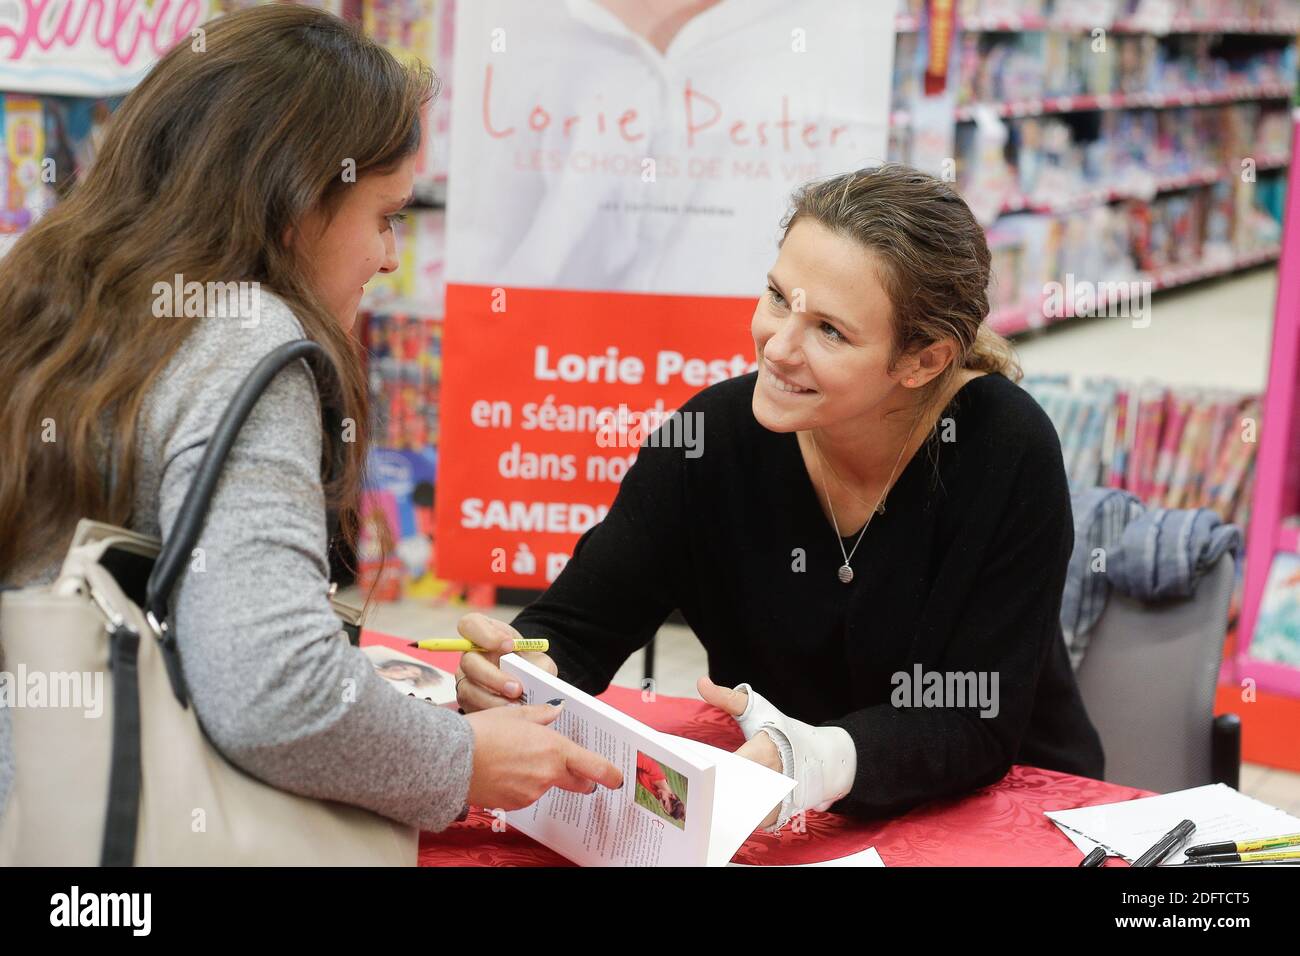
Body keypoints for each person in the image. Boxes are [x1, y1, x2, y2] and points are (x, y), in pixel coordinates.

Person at [0, 5, 620, 842]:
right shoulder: (247, 335)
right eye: (385, 216)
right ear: (293, 199)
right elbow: (274, 690)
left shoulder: (46, 290)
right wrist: (462, 758)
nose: (391, 256)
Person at [454, 163, 1104, 829]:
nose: (779, 347)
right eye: (777, 298)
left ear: (924, 360)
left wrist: (813, 760)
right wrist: (517, 668)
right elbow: (579, 625)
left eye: (830, 331)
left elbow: (974, 724)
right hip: (789, 812)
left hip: (1005, 809)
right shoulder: (706, 443)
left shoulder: (1005, 448)